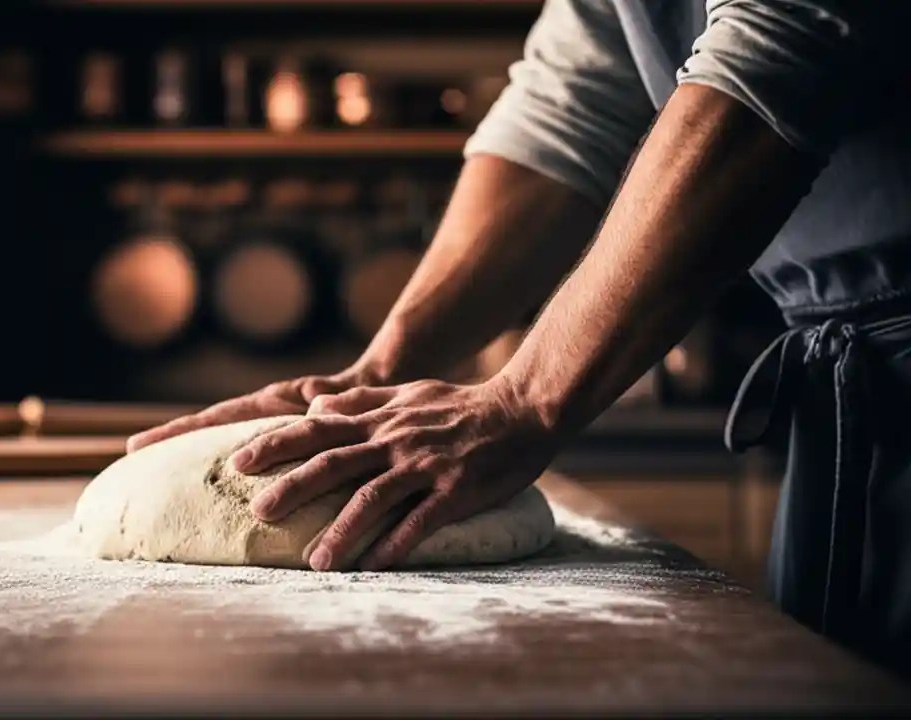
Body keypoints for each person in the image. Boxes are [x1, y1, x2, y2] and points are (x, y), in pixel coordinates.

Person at [129, 0, 911, 672]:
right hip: (861, 398)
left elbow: (786, 42)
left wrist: (525, 398)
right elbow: (573, 106)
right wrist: (382, 370)